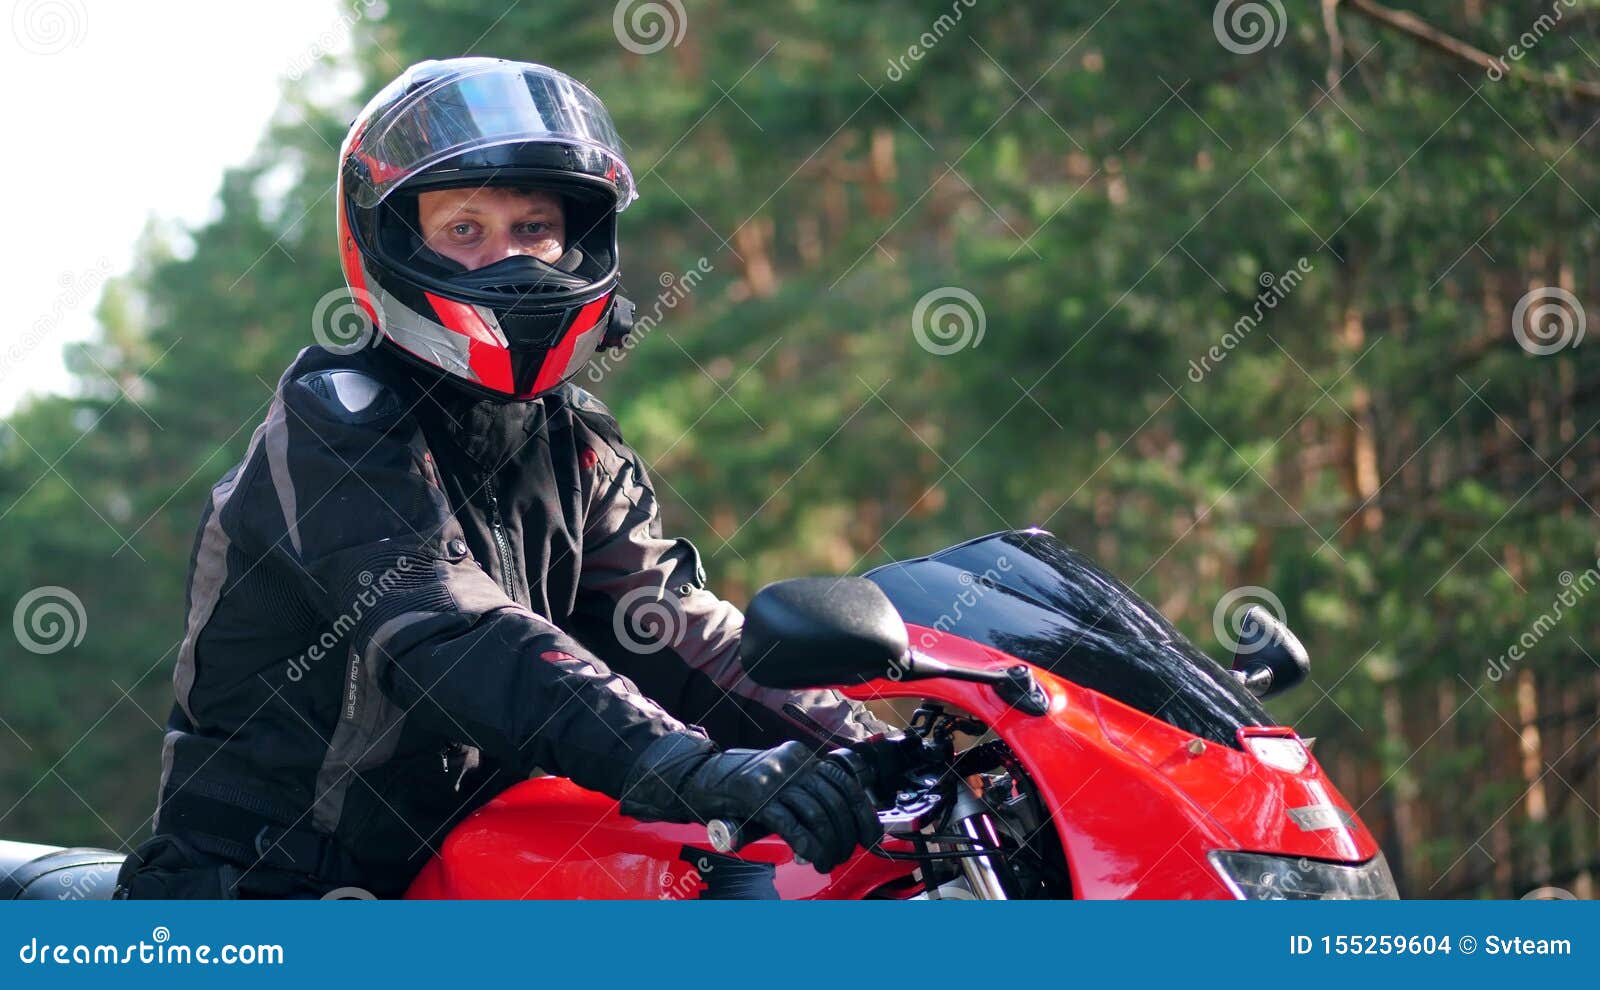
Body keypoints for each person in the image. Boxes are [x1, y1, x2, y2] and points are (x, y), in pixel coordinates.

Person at [116, 57, 888, 899]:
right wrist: (684, 763)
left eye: (534, 228)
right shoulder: (335, 419)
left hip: (473, 874)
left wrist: (872, 748)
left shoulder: (576, 445)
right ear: (393, 240)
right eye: (465, 230)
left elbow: (677, 631)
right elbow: (454, 631)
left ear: (579, 237)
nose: (510, 259)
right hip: (267, 889)